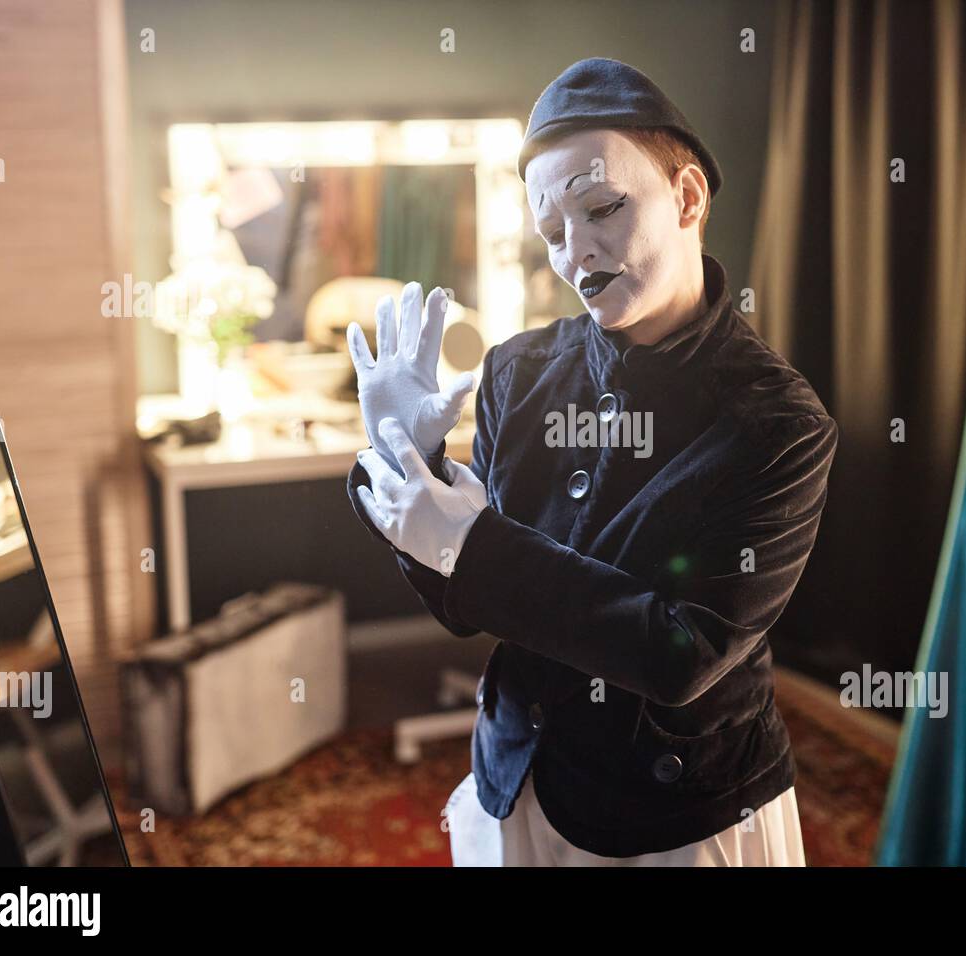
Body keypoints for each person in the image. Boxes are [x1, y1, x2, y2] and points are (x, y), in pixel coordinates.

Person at [346, 57, 837, 866]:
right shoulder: (517, 370)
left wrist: (473, 546)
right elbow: (466, 604)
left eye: (602, 208)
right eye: (551, 233)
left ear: (687, 197)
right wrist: (407, 460)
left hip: (678, 814)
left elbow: (682, 653)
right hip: (515, 776)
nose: (575, 255)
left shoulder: (777, 422)